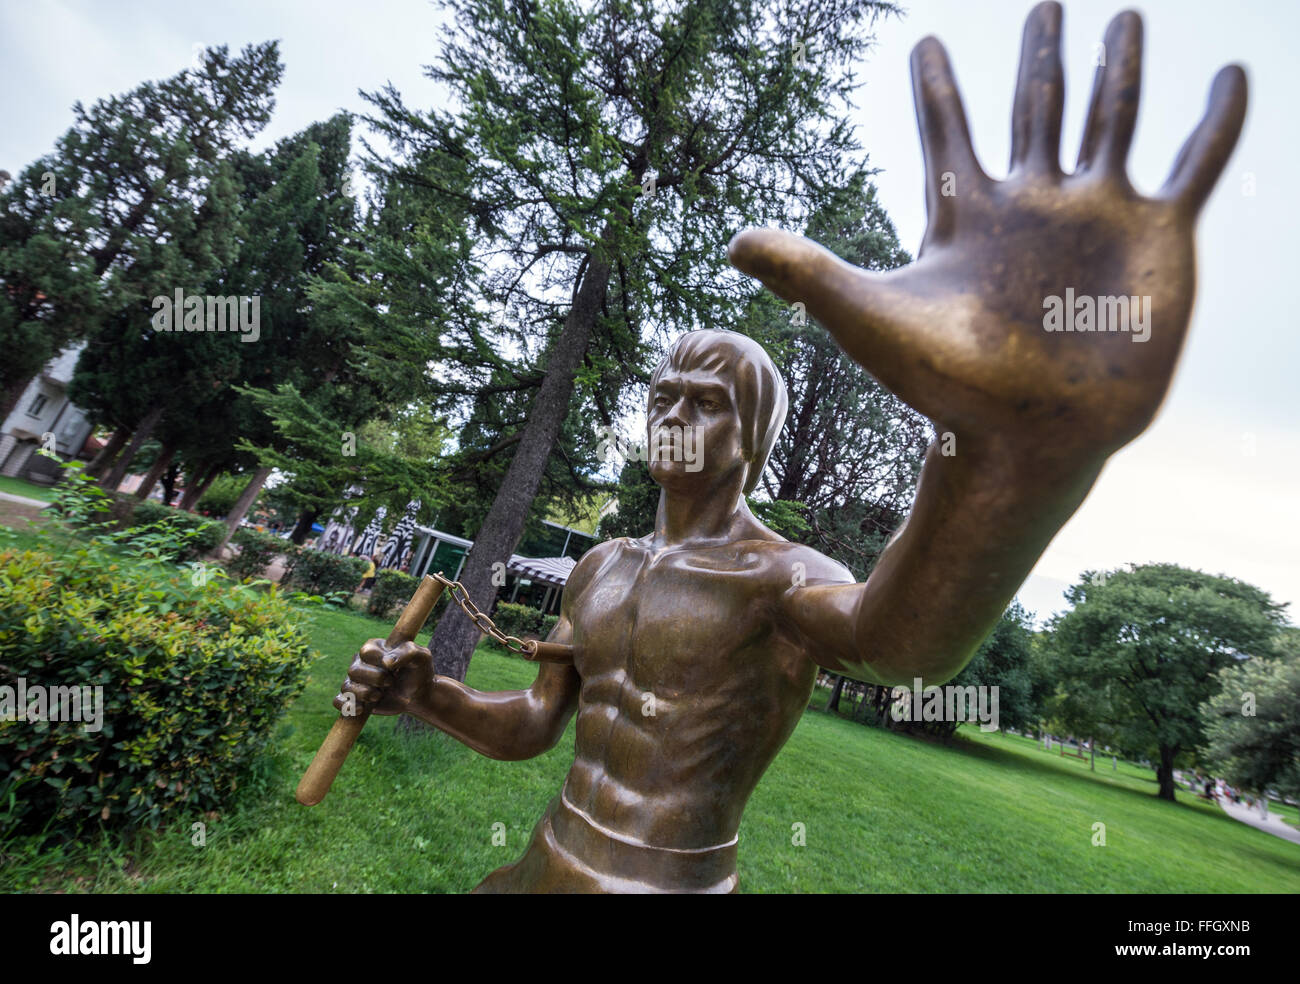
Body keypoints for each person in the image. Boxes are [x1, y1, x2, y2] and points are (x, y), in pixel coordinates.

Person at [334, 3, 1246, 893]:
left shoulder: (783, 580)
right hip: (538, 868)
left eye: (707, 402)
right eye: (663, 397)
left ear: (753, 436)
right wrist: (426, 695)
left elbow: (903, 646)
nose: (676, 416)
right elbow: (535, 723)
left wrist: (1015, 457)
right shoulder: (602, 566)